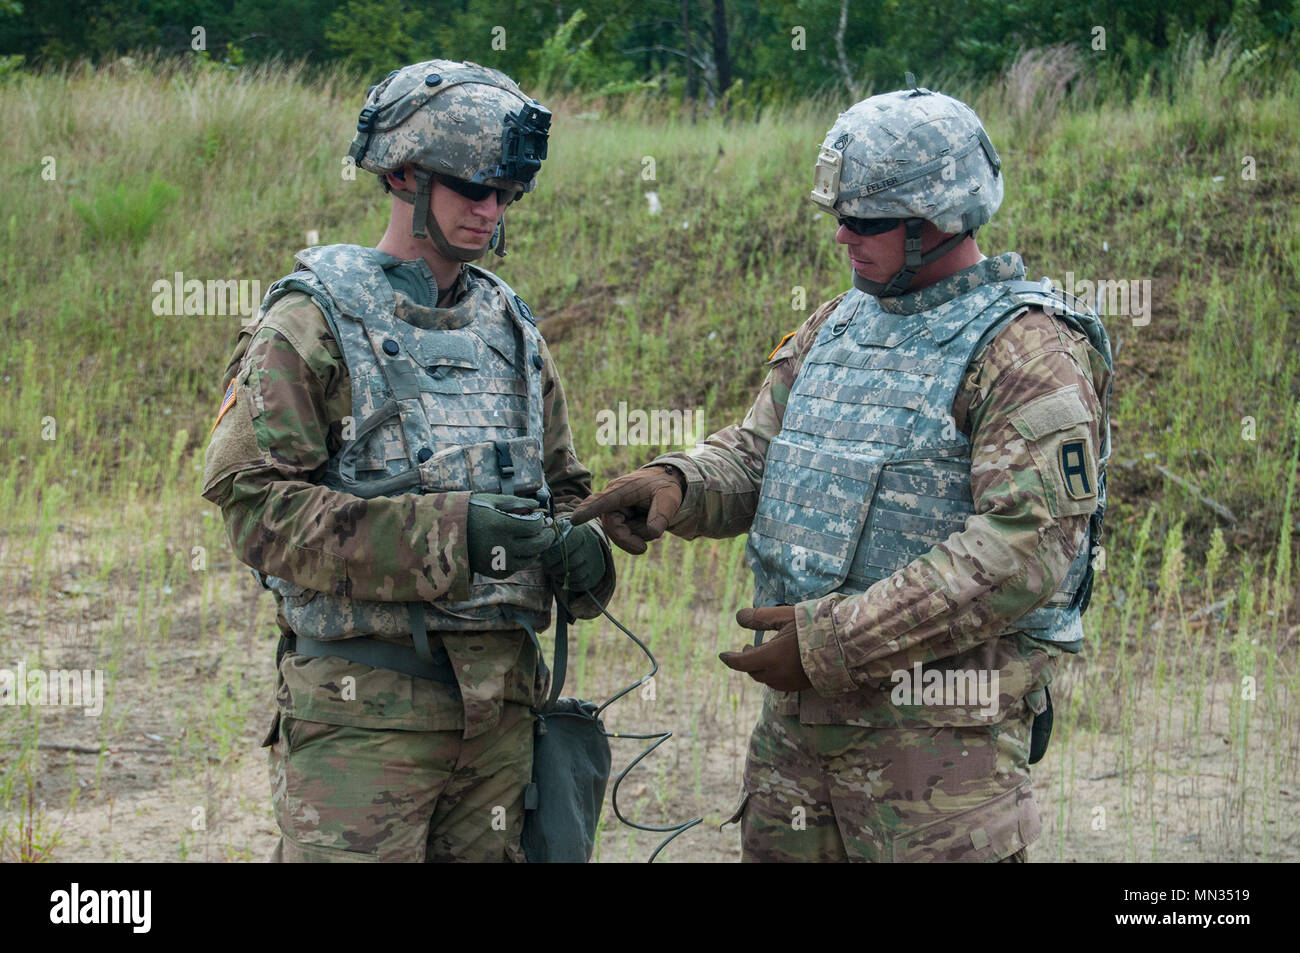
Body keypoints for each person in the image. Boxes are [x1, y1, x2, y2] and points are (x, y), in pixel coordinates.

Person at [572, 82, 1112, 862]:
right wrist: (681, 484)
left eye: (864, 222)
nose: (842, 238)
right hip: (796, 755)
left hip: (936, 772)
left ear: (937, 220)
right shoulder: (837, 323)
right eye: (838, 218)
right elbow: (761, 451)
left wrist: (833, 643)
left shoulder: (1025, 352)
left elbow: (1021, 551)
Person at [201, 59, 614, 863]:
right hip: (366, 717)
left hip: (501, 720)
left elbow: (564, 491)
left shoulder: (512, 330)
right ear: (401, 174)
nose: (488, 211)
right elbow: (252, 505)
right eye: (470, 188)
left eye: (505, 193)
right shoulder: (309, 319)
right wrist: (451, 537)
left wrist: (580, 551)